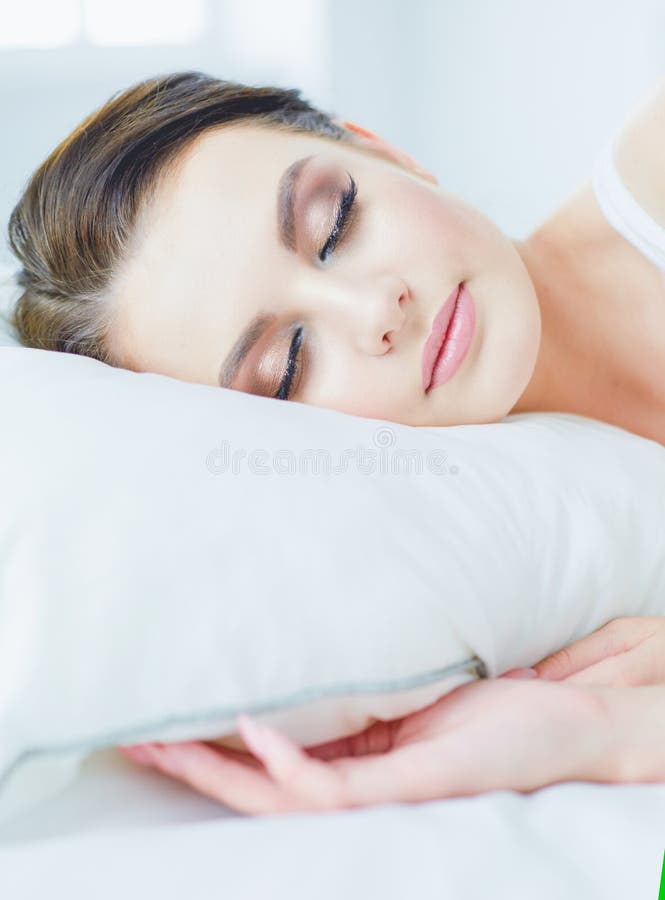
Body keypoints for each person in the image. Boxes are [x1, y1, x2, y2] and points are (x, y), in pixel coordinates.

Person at [7, 71, 665, 813]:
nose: (374, 309)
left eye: (337, 221)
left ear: (383, 151)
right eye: (287, 365)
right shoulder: (511, 588)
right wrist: (598, 730)